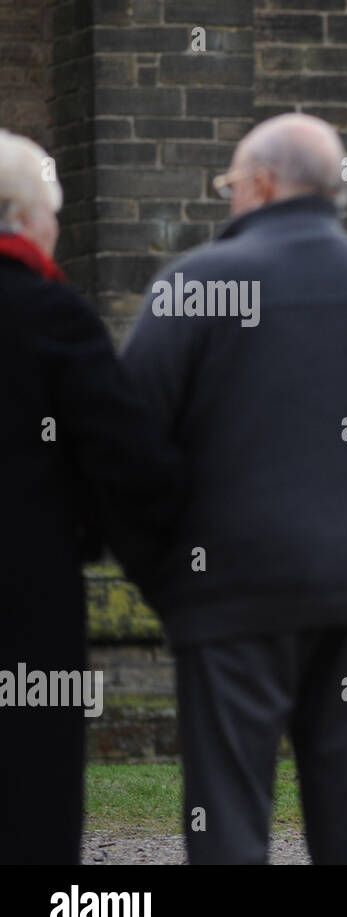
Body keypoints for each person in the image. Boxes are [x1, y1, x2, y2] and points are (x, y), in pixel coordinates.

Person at [121, 113, 347, 863]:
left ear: (258, 183)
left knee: (227, 811)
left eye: (229, 184)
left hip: (226, 589)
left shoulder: (192, 288)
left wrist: (164, 571)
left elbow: (127, 449)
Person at [0, 130, 183, 863]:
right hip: (25, 594)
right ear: (21, 214)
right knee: (30, 791)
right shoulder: (48, 314)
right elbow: (130, 461)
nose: (57, 229)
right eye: (54, 213)